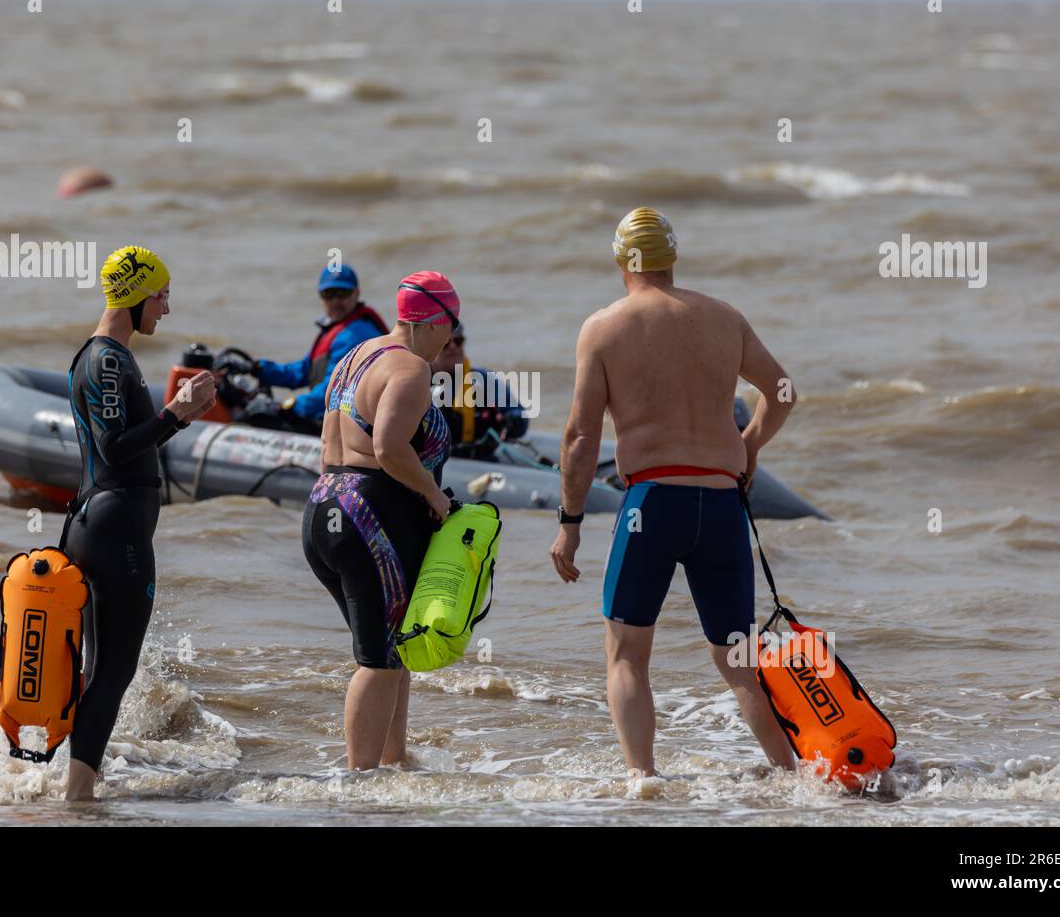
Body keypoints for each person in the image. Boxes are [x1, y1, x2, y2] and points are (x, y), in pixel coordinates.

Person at [548, 207, 799, 783]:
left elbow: (581, 436)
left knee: (628, 655)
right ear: (672, 257)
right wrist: (749, 447)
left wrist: (571, 521)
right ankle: (793, 780)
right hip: (721, 506)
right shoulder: (724, 317)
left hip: (652, 504)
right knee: (739, 662)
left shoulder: (604, 328)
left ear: (620, 260)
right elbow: (783, 391)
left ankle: (643, 782)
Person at [62, 245, 217, 801]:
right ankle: (77, 797)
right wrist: (176, 411)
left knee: (98, 668)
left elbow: (121, 445)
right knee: (113, 670)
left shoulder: (107, 356)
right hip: (113, 529)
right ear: (135, 294)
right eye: (161, 296)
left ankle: (81, 780)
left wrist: (178, 417)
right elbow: (116, 447)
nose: (166, 310)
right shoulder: (106, 360)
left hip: (101, 522)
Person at [301, 271, 458, 770]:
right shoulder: (408, 368)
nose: (450, 340)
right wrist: (435, 496)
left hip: (327, 507)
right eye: (450, 327)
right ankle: (360, 784)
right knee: (378, 658)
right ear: (430, 320)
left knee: (395, 650)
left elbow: (329, 446)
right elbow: (390, 448)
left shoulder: (355, 356)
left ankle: (393, 761)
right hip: (372, 518)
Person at [248, 263, 388, 433]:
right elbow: (304, 371)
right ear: (321, 297)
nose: (336, 301)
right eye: (329, 294)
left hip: (354, 429)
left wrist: (288, 406)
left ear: (356, 294)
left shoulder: (356, 334)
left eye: (343, 293)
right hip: (332, 416)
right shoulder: (336, 329)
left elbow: (335, 389)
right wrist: (258, 368)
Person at [428, 322, 530, 459]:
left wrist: (510, 421)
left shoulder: (483, 379)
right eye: (445, 344)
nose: (453, 347)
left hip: (481, 459)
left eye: (458, 341)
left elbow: (518, 414)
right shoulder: (418, 384)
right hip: (436, 461)